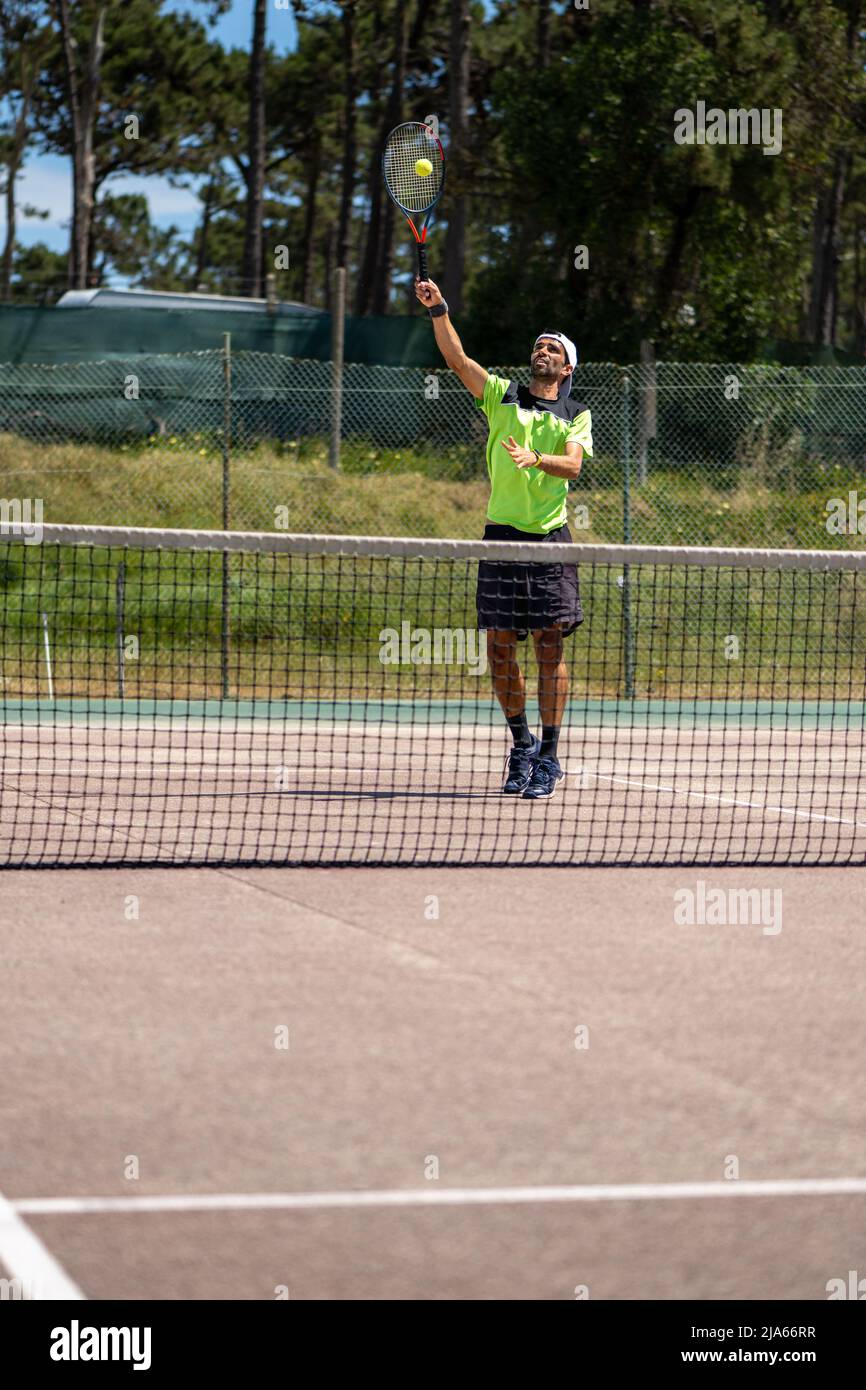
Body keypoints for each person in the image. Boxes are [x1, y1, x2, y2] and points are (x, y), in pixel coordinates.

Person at [414, 275, 593, 800]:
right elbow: (458, 360)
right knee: (497, 649)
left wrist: (536, 458)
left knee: (550, 647)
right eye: (539, 344)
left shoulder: (575, 414)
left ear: (567, 368)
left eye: (553, 348)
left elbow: (574, 467)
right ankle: (520, 745)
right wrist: (439, 309)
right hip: (499, 540)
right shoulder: (502, 396)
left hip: (549, 542)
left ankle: (550, 757)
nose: (543, 349)